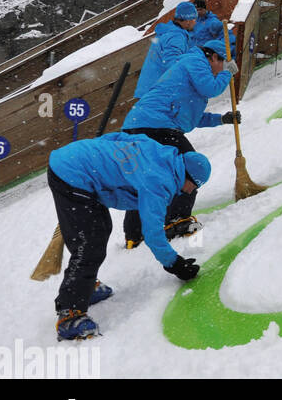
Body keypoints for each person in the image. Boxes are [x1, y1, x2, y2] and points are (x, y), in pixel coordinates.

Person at [47, 132, 209, 340]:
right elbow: (152, 234)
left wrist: (98, 155)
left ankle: (85, 287)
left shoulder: (158, 152)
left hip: (73, 160)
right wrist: (175, 264)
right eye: (194, 186)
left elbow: (118, 138)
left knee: (98, 229)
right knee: (90, 242)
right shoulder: (160, 182)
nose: (191, 191)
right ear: (188, 177)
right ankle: (69, 314)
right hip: (72, 174)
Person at [119, 38, 240, 248]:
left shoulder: (190, 72)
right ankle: (177, 221)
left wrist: (222, 119)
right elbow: (210, 88)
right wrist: (228, 72)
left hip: (141, 125)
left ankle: (134, 235)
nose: (220, 69)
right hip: (155, 126)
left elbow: (191, 117)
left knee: (146, 176)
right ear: (213, 57)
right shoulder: (195, 62)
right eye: (222, 63)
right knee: (191, 168)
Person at [134, 1, 201, 100]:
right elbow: (173, 65)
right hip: (157, 94)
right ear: (187, 20)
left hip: (150, 89)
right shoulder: (176, 37)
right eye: (194, 19)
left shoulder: (169, 32)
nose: (195, 22)